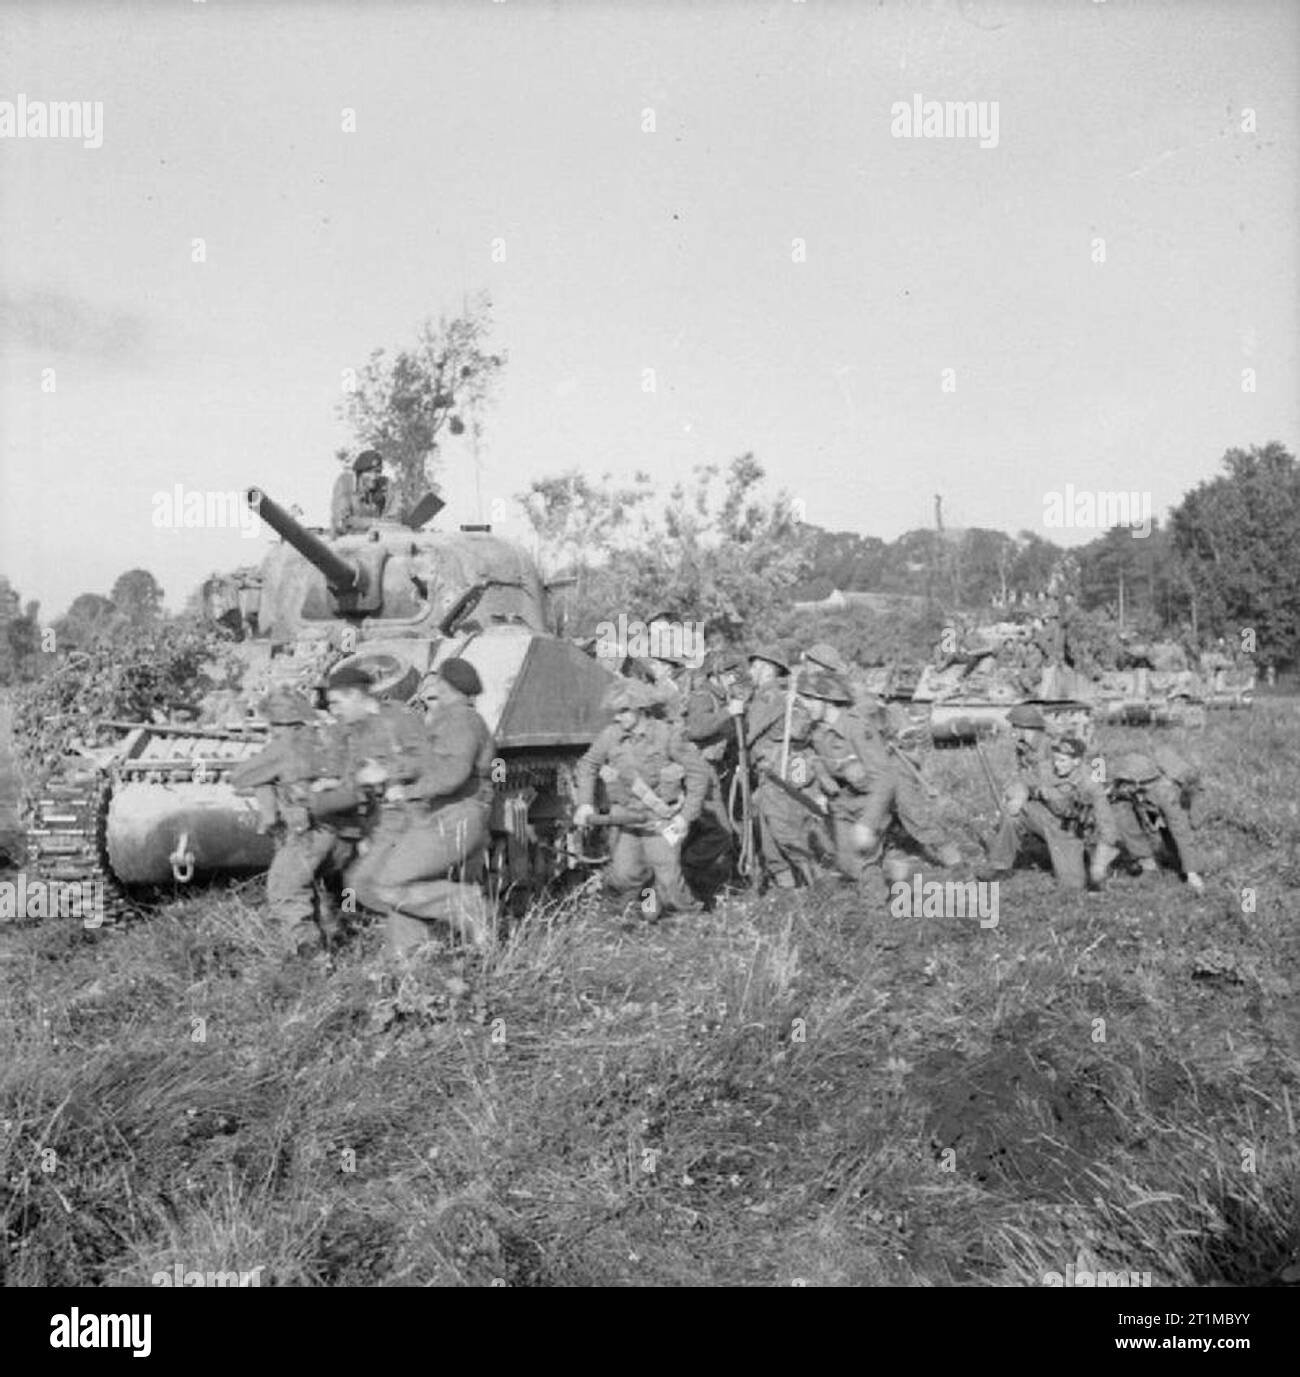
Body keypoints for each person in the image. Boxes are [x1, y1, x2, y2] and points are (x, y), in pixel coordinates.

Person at [347, 658, 497, 952]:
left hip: (454, 816)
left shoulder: (461, 721)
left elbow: (452, 774)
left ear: (443, 685)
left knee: (388, 884)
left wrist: (408, 792)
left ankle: (466, 904)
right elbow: (428, 761)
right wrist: (390, 771)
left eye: (436, 682)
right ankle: (413, 959)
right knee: (388, 883)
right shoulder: (450, 718)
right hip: (440, 815)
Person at [230, 687, 350, 958]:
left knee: (285, 892)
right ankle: (340, 943)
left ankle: (311, 958)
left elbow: (239, 777)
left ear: (276, 723)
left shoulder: (283, 747)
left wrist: (265, 785)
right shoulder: (325, 739)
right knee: (320, 890)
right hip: (341, 833)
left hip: (308, 835)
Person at [574, 679, 709, 917]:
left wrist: (686, 816)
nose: (618, 718)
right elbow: (587, 765)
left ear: (640, 709)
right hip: (625, 817)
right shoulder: (611, 736)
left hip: (659, 818)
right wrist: (585, 804)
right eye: (616, 712)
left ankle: (693, 918)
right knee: (625, 875)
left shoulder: (667, 735)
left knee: (669, 883)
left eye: (624, 711)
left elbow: (698, 773)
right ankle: (645, 907)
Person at [981, 736, 1120, 890]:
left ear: (1077, 761)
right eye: (1055, 759)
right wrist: (1019, 796)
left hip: (1068, 834)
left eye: (1062, 761)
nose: (1057, 764)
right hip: (1042, 818)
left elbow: (1108, 827)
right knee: (1013, 814)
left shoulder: (1091, 783)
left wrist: (1099, 865)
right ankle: (1000, 866)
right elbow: (1020, 782)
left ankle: (1085, 858)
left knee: (1073, 887)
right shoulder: (1046, 768)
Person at [802, 671, 896, 885]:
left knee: (864, 862)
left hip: (869, 803)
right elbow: (816, 761)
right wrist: (820, 792)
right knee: (846, 864)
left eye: (811, 699)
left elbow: (885, 779)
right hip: (842, 805)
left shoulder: (856, 727)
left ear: (828, 700)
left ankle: (877, 910)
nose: (806, 705)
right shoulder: (817, 731)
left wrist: (868, 823)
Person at [1107, 749, 1205, 893]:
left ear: (1138, 783)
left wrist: (1192, 875)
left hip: (1181, 804)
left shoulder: (1166, 793)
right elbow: (1114, 790)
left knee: (1176, 839)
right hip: (1151, 803)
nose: (1121, 786)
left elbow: (1182, 834)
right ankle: (1149, 864)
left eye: (1125, 782)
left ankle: (1196, 865)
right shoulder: (1134, 787)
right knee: (1123, 808)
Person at [330, 449, 401, 535]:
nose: (374, 476)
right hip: (346, 541)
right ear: (359, 473)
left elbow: (394, 518)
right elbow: (342, 521)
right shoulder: (345, 483)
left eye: (378, 472)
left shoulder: (385, 485)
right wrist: (374, 523)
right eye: (369, 472)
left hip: (378, 541)